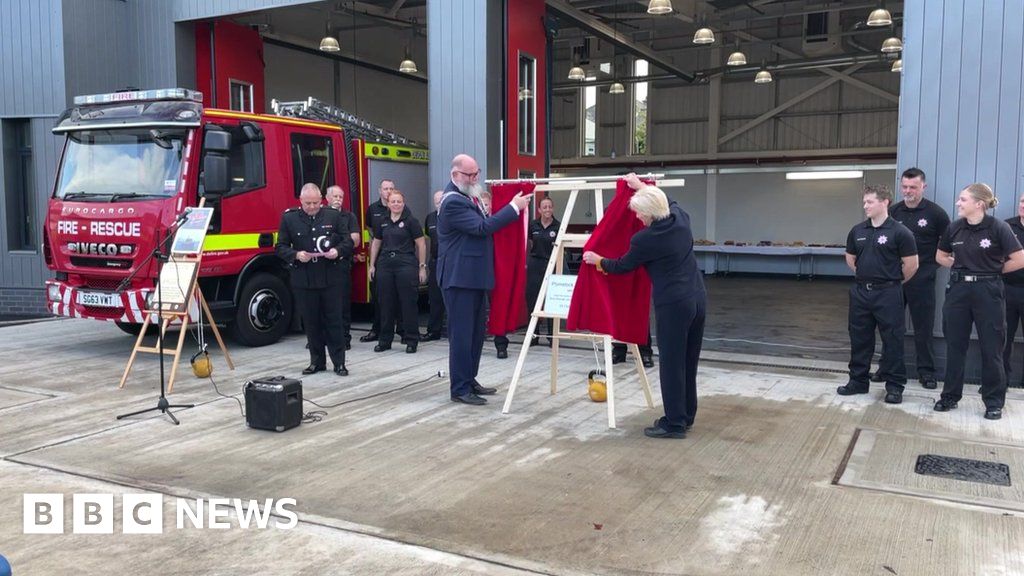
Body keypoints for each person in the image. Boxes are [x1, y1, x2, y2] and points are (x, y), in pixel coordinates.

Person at [582, 173, 706, 439]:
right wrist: (641, 186)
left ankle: (674, 424)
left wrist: (597, 260)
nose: (638, 219)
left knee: (672, 364)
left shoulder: (646, 239)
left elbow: (622, 266)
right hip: (697, 297)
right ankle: (686, 414)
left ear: (650, 214)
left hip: (673, 304)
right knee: (688, 360)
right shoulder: (680, 219)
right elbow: (669, 201)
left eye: (640, 214)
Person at [438, 154, 531, 405]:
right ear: (455, 175)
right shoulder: (453, 202)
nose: (475, 178)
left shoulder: (468, 196)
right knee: (462, 334)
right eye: (470, 175)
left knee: (476, 333)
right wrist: (513, 208)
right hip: (459, 278)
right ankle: (459, 387)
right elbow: (482, 228)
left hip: (473, 277)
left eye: (476, 173)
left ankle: (469, 379)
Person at [936, 183, 1024, 420]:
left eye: (963, 199)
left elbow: (1019, 258)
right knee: (955, 346)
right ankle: (950, 396)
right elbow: (940, 255)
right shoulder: (954, 228)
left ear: (979, 204)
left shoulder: (999, 228)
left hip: (988, 291)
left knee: (992, 348)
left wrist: (992, 270)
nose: (958, 203)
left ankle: (993, 402)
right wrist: (957, 267)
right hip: (958, 291)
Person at [837, 185, 919, 404]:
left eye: (870, 202)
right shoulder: (858, 231)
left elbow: (911, 265)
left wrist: (889, 280)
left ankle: (894, 386)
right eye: (864, 202)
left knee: (893, 339)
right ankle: (858, 381)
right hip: (861, 293)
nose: (865, 206)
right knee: (859, 338)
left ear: (885, 202)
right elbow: (850, 258)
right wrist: (867, 276)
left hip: (889, 293)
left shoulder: (900, 232)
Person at [879, 168, 950, 389]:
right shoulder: (893, 212)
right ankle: (886, 367)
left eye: (913, 187)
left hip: (922, 280)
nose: (908, 191)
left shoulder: (936, 214)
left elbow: (947, 245)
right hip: (895, 280)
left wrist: (932, 268)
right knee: (891, 326)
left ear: (923, 187)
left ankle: (926, 372)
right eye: (905, 187)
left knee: (923, 328)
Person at [276, 183, 354, 376]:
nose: (312, 207)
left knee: (334, 321)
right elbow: (280, 246)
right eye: (308, 203)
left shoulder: (333, 216)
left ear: (321, 200)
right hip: (305, 278)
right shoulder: (289, 218)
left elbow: (348, 241)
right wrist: (295, 254)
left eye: (316, 202)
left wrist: (338, 251)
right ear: (300, 201)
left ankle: (339, 363)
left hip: (330, 276)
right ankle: (317, 362)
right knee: (311, 322)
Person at [369, 189, 427, 353]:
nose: (396, 204)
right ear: (388, 203)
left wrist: (422, 267)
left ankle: (411, 340)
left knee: (408, 303)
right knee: (385, 303)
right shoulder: (382, 221)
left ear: (403, 203)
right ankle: (385, 340)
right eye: (393, 201)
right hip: (385, 265)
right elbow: (376, 243)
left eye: (399, 201)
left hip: (406, 264)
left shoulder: (411, 221)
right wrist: (372, 265)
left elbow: (421, 244)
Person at [361, 179, 409, 343]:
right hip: (380, 259)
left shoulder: (401, 208)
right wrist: (372, 263)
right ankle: (378, 330)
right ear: (379, 191)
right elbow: (371, 231)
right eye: (385, 188)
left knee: (400, 296)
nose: (388, 191)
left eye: (391, 188)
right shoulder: (372, 209)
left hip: (399, 259)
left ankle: (402, 330)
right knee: (380, 297)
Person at [326, 185, 361, 350]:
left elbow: (355, 240)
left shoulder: (349, 216)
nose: (338, 200)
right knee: (323, 302)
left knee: (342, 303)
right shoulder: (320, 215)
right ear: (327, 198)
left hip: (341, 263)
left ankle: (345, 338)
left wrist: (337, 242)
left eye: (341, 197)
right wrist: (343, 238)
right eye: (335, 196)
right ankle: (323, 336)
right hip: (323, 265)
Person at [526, 196, 560, 345]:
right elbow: (527, 242)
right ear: (539, 210)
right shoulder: (533, 225)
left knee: (551, 300)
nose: (547, 210)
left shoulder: (559, 226)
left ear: (553, 208)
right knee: (532, 298)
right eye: (544, 207)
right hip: (535, 264)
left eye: (549, 207)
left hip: (551, 264)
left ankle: (552, 336)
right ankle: (534, 335)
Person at [1003, 196, 1024, 386]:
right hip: (1007, 289)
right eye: (1023, 201)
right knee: (1003, 338)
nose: (1023, 206)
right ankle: (1000, 380)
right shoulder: (1006, 227)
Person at [421, 190, 446, 341]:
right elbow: (428, 238)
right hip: (435, 262)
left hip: (451, 263)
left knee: (452, 299)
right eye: (437, 202)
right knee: (435, 299)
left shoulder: (453, 216)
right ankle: (433, 331)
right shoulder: (430, 218)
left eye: (442, 200)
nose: (440, 204)